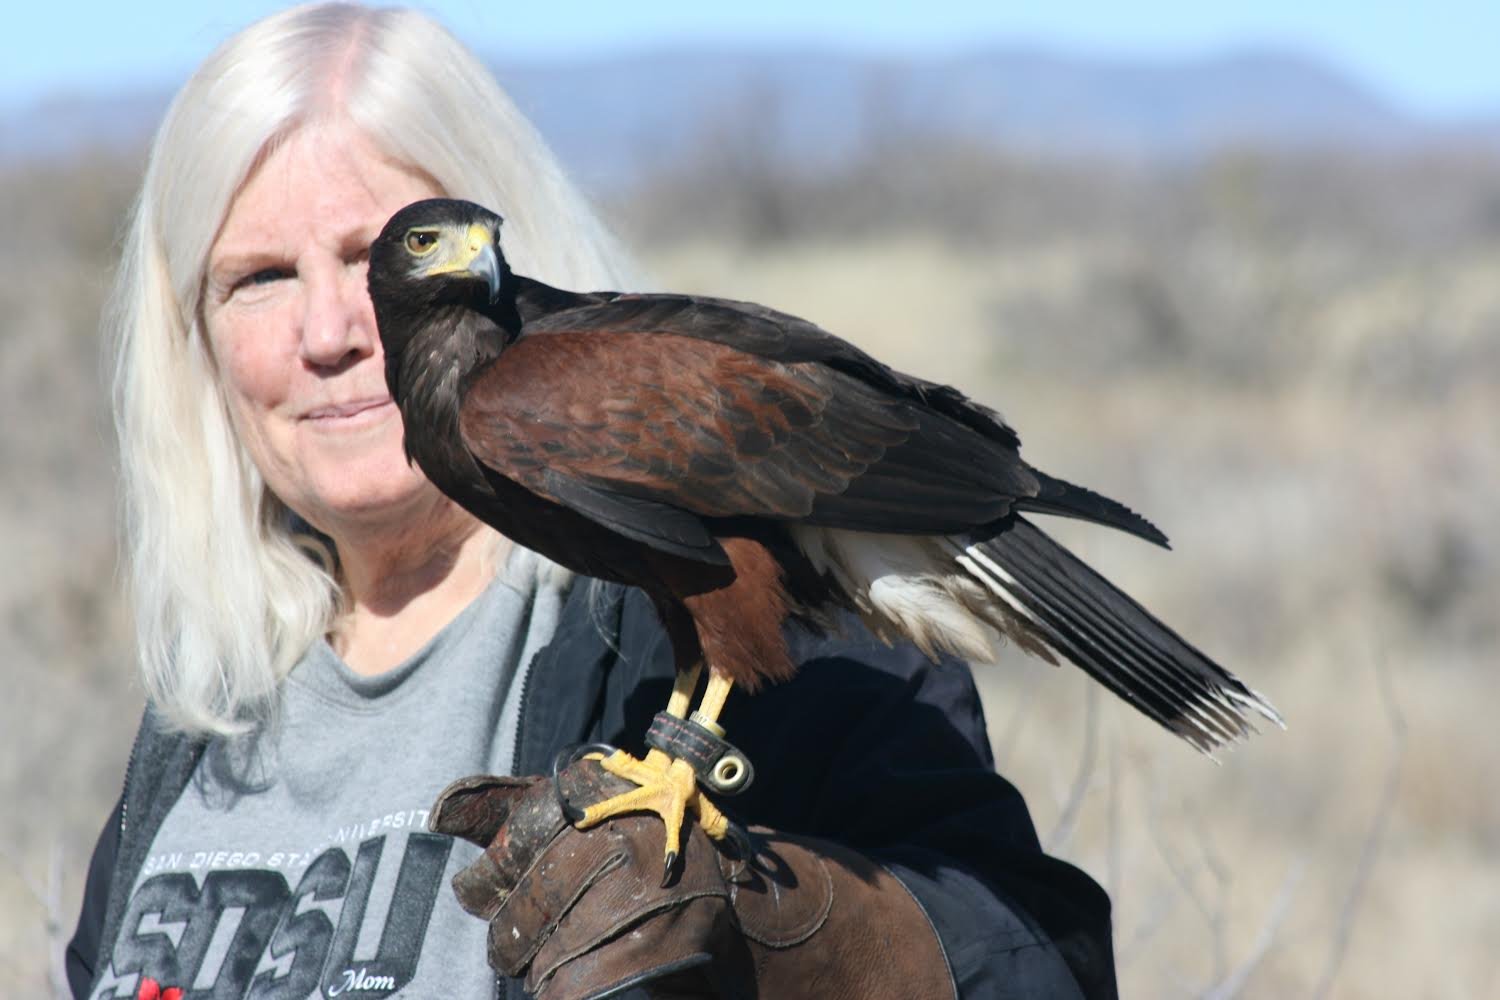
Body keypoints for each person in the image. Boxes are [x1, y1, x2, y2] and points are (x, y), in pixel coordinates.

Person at [65, 4, 1118, 998]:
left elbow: (1039, 962)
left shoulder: (701, 603)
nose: (330, 330)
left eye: (364, 248)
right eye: (260, 277)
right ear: (190, 332)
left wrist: (779, 933)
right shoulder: (205, 715)